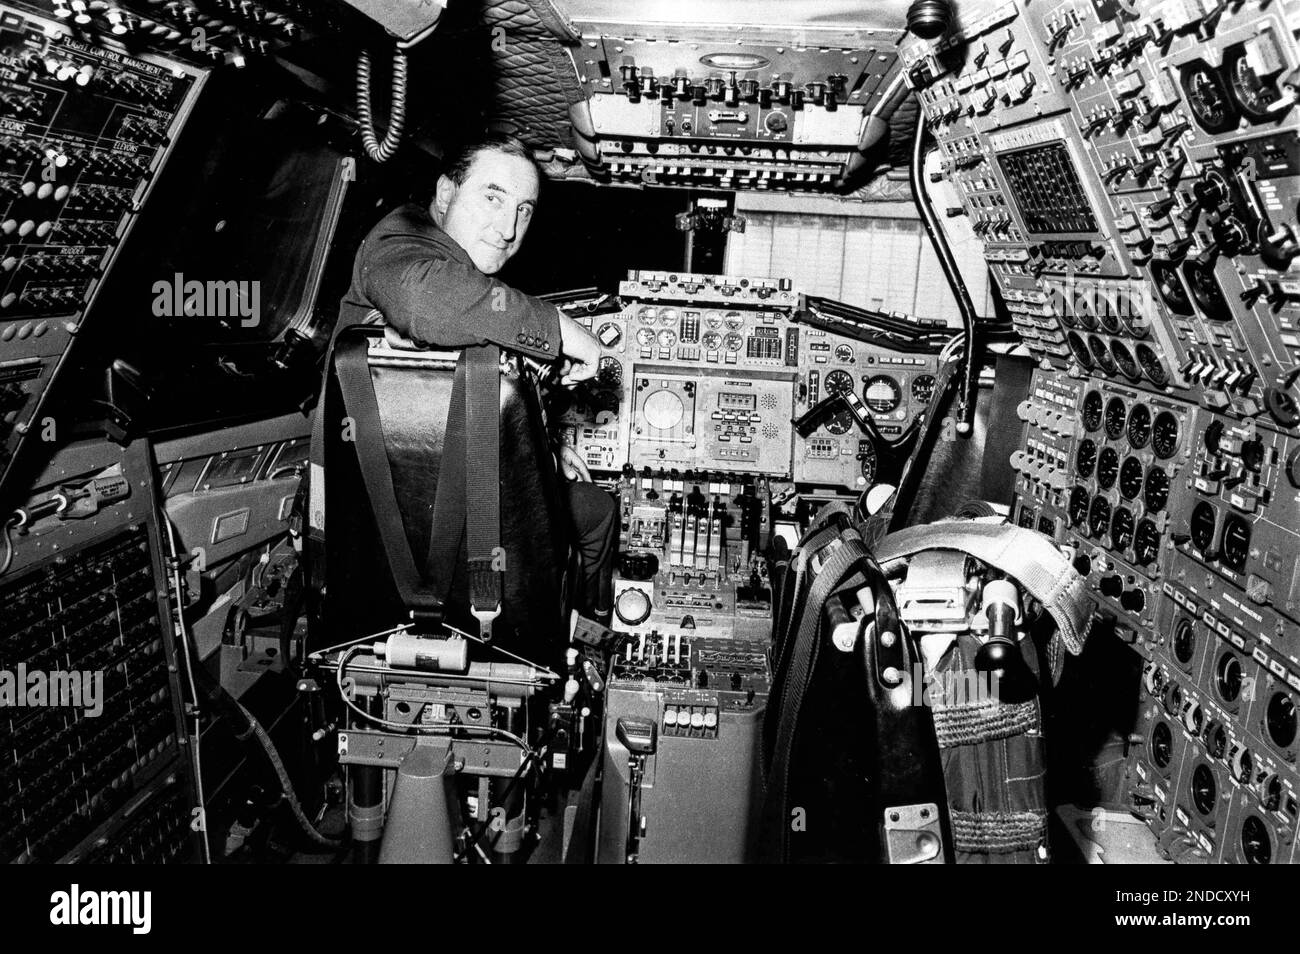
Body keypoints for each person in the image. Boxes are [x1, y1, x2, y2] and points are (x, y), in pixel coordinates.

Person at [337, 132, 617, 624]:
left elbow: (478, 386)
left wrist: (542, 449)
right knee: (597, 514)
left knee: (586, 503)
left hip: (423, 492)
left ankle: (580, 631)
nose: (508, 227)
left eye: (524, 210)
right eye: (493, 197)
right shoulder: (403, 237)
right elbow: (427, 300)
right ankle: (580, 627)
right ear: (446, 193)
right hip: (412, 508)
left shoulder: (461, 270)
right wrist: (561, 329)